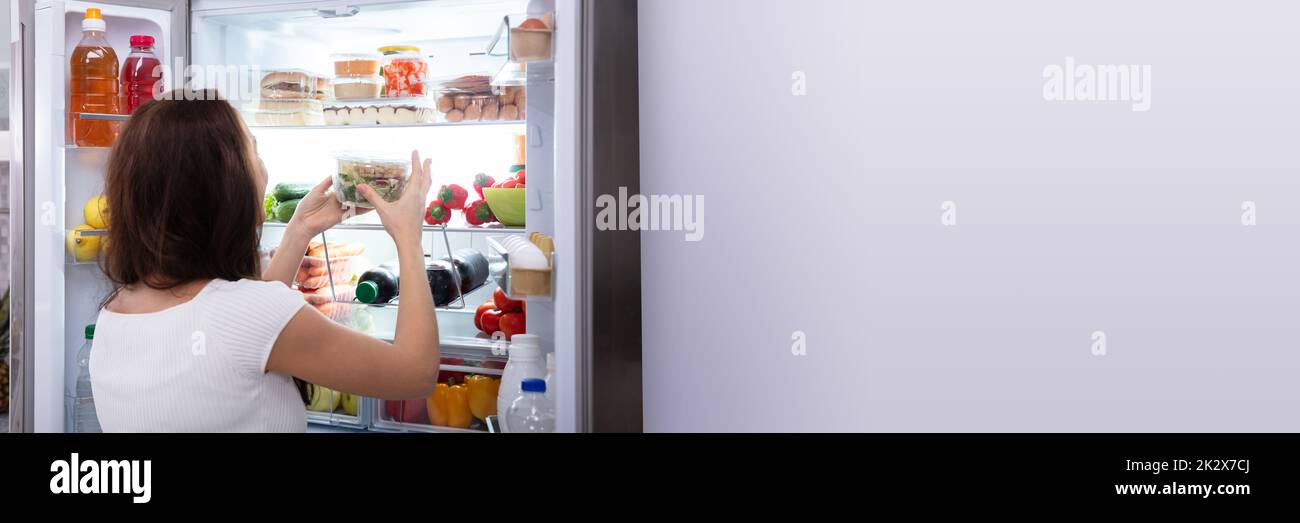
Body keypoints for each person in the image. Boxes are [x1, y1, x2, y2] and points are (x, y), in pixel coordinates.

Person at [89, 90, 439, 431]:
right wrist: (408, 238)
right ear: (224, 185)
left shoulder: (115, 312)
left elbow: (244, 334)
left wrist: (299, 230)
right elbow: (414, 373)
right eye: (253, 151)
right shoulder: (245, 314)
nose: (263, 168)